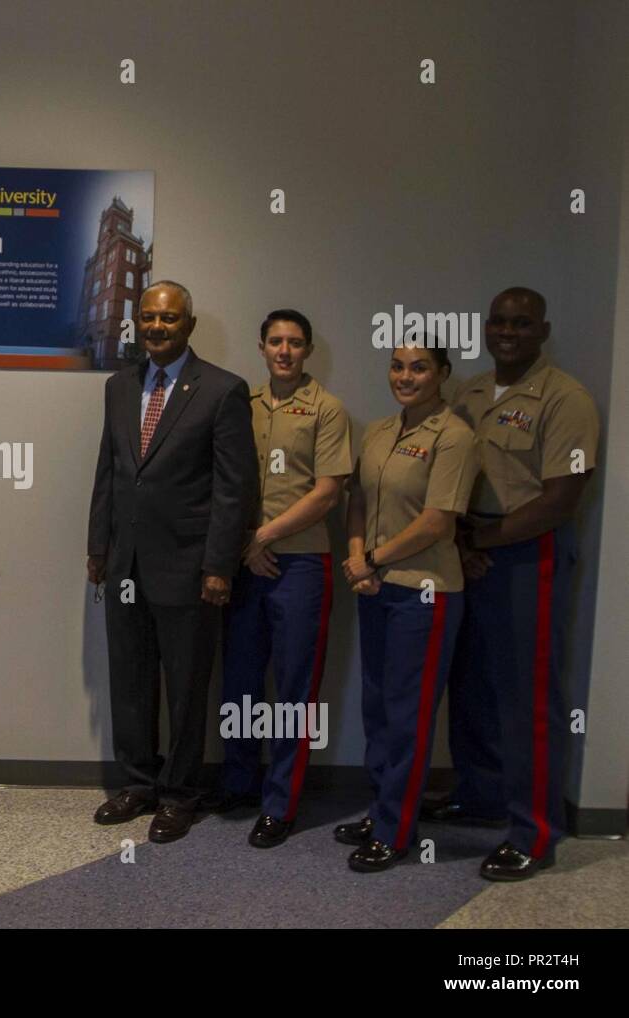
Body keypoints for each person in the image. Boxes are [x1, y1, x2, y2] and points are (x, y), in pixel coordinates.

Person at [424, 287, 599, 880]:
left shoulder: (566, 398)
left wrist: (482, 543)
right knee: (471, 684)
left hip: (528, 557)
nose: (508, 331)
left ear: (542, 331)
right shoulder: (469, 392)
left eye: (521, 323)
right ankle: (480, 796)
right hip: (469, 553)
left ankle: (535, 830)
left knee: (526, 698)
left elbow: (560, 501)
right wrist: (461, 544)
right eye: (498, 321)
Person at [87, 280, 258, 844]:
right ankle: (138, 783)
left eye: (169, 319)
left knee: (186, 686)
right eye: (149, 318)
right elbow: (110, 472)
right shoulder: (118, 386)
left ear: (189, 325)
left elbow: (235, 491)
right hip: (125, 563)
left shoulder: (222, 390)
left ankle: (180, 792)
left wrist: (218, 566)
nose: (156, 328)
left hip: (190, 567)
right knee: (130, 679)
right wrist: (98, 546)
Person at [337, 339, 478, 872]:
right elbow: (357, 502)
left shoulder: (455, 436)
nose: (405, 375)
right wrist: (357, 559)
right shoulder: (377, 431)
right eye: (397, 366)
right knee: (378, 708)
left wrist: (371, 559)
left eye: (419, 368)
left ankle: (397, 831)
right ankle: (382, 810)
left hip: (425, 592)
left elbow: (438, 521)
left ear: (442, 374)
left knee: (408, 716)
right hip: (374, 586)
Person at [216, 309, 351, 847]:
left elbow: (327, 493)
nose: (285, 351)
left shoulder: (328, 410)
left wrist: (262, 538)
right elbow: (226, 480)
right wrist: (247, 547)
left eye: (295, 343)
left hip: (299, 564)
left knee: (295, 689)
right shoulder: (240, 406)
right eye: (276, 341)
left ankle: (281, 801)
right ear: (262, 346)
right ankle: (239, 783)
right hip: (247, 565)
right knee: (241, 681)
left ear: (308, 349)